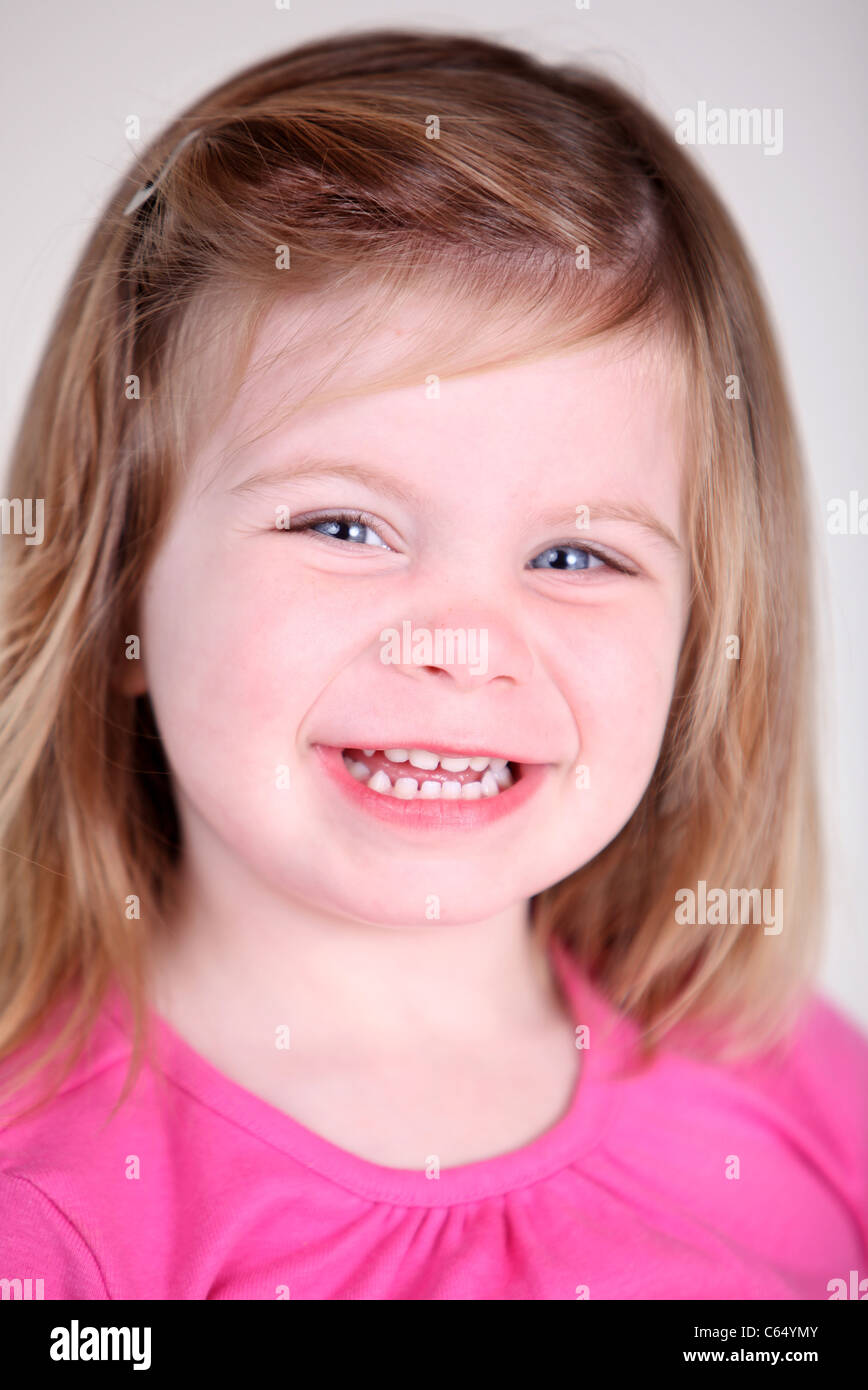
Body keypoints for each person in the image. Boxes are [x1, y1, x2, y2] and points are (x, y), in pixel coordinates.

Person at [1, 28, 865, 1301]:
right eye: (342, 527)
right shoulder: (49, 1221)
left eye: (577, 556)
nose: (462, 649)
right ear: (120, 580)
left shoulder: (805, 1090)